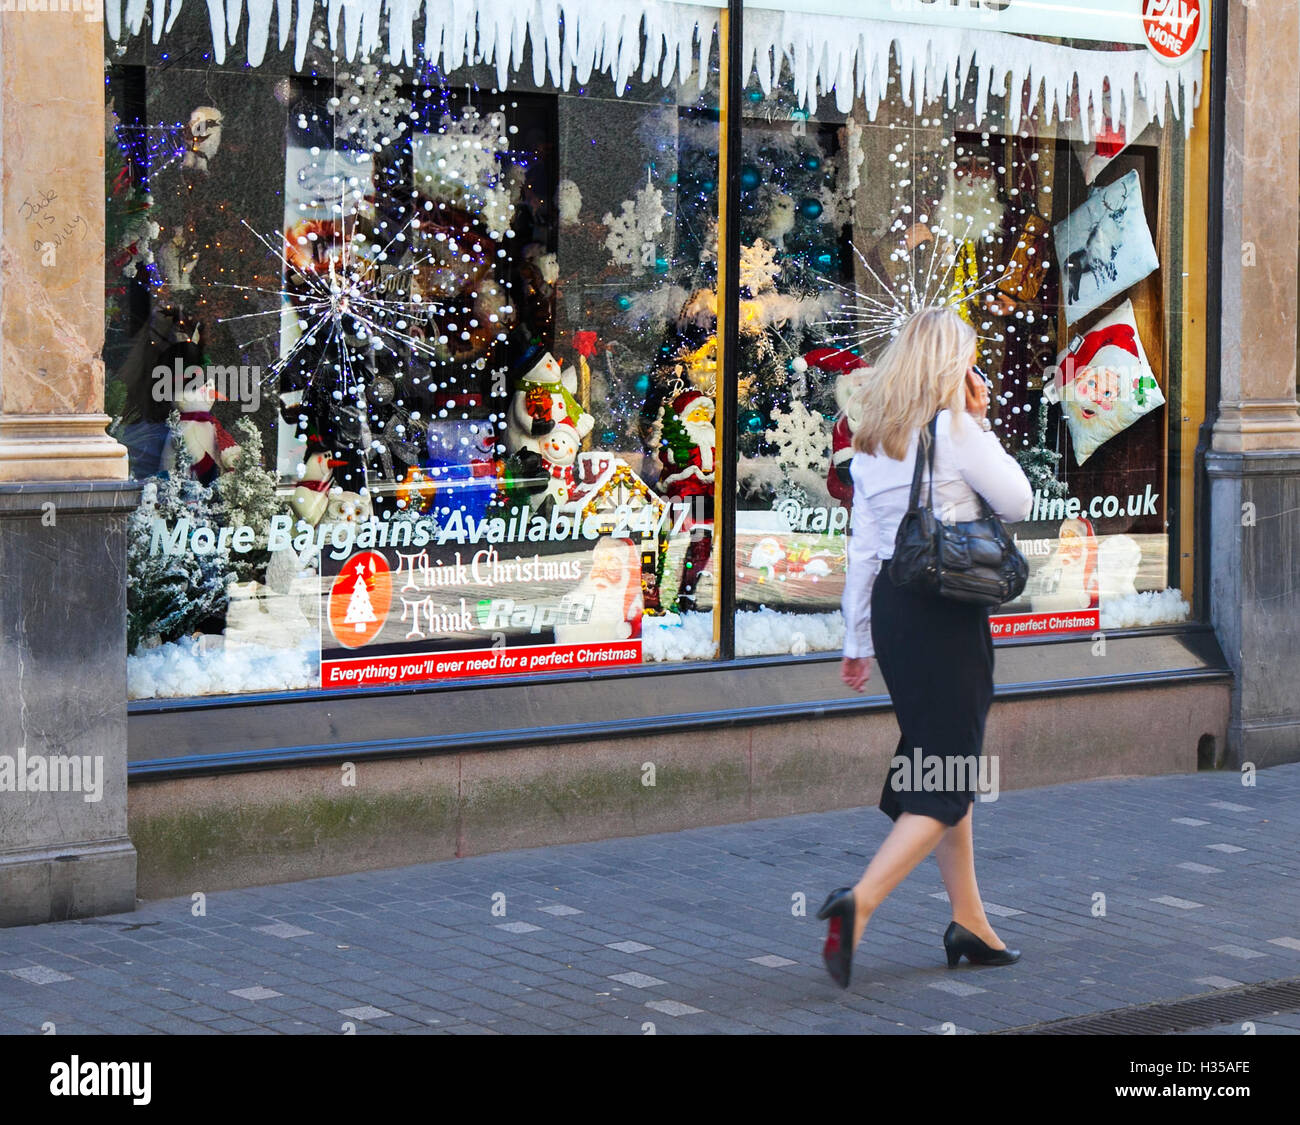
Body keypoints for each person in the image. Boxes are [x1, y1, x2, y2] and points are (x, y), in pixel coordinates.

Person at [818, 306, 1034, 988]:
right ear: (951, 363)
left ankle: (970, 919)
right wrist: (982, 419)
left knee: (939, 761)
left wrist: (855, 639)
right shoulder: (957, 429)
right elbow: (1021, 500)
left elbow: (860, 549)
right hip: (945, 614)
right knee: (944, 777)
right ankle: (860, 903)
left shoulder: (873, 436)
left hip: (894, 612)